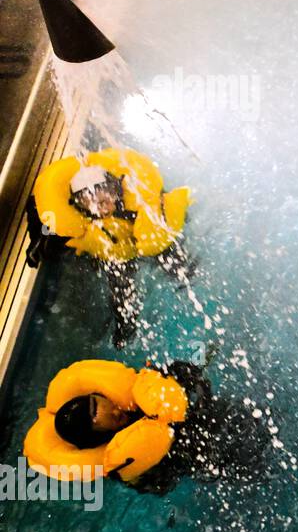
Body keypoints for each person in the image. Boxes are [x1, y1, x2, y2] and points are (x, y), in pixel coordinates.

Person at [25, 147, 194, 347]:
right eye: (92, 206)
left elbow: (164, 207)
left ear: (115, 188)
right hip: (116, 255)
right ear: (80, 207)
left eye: (104, 201)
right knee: (122, 296)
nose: (102, 210)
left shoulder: (139, 199)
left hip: (144, 238)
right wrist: (37, 243)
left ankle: (187, 278)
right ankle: (125, 328)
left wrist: (176, 219)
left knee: (179, 266)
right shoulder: (82, 219)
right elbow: (44, 219)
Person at [24, 358, 269, 495]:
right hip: (213, 453)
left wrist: (176, 376)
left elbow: (182, 379)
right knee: (255, 465)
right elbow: (164, 483)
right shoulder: (127, 464)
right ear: (96, 438)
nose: (117, 410)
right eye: (111, 418)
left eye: (108, 404)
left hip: (213, 418)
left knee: (254, 415)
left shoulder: (130, 399)